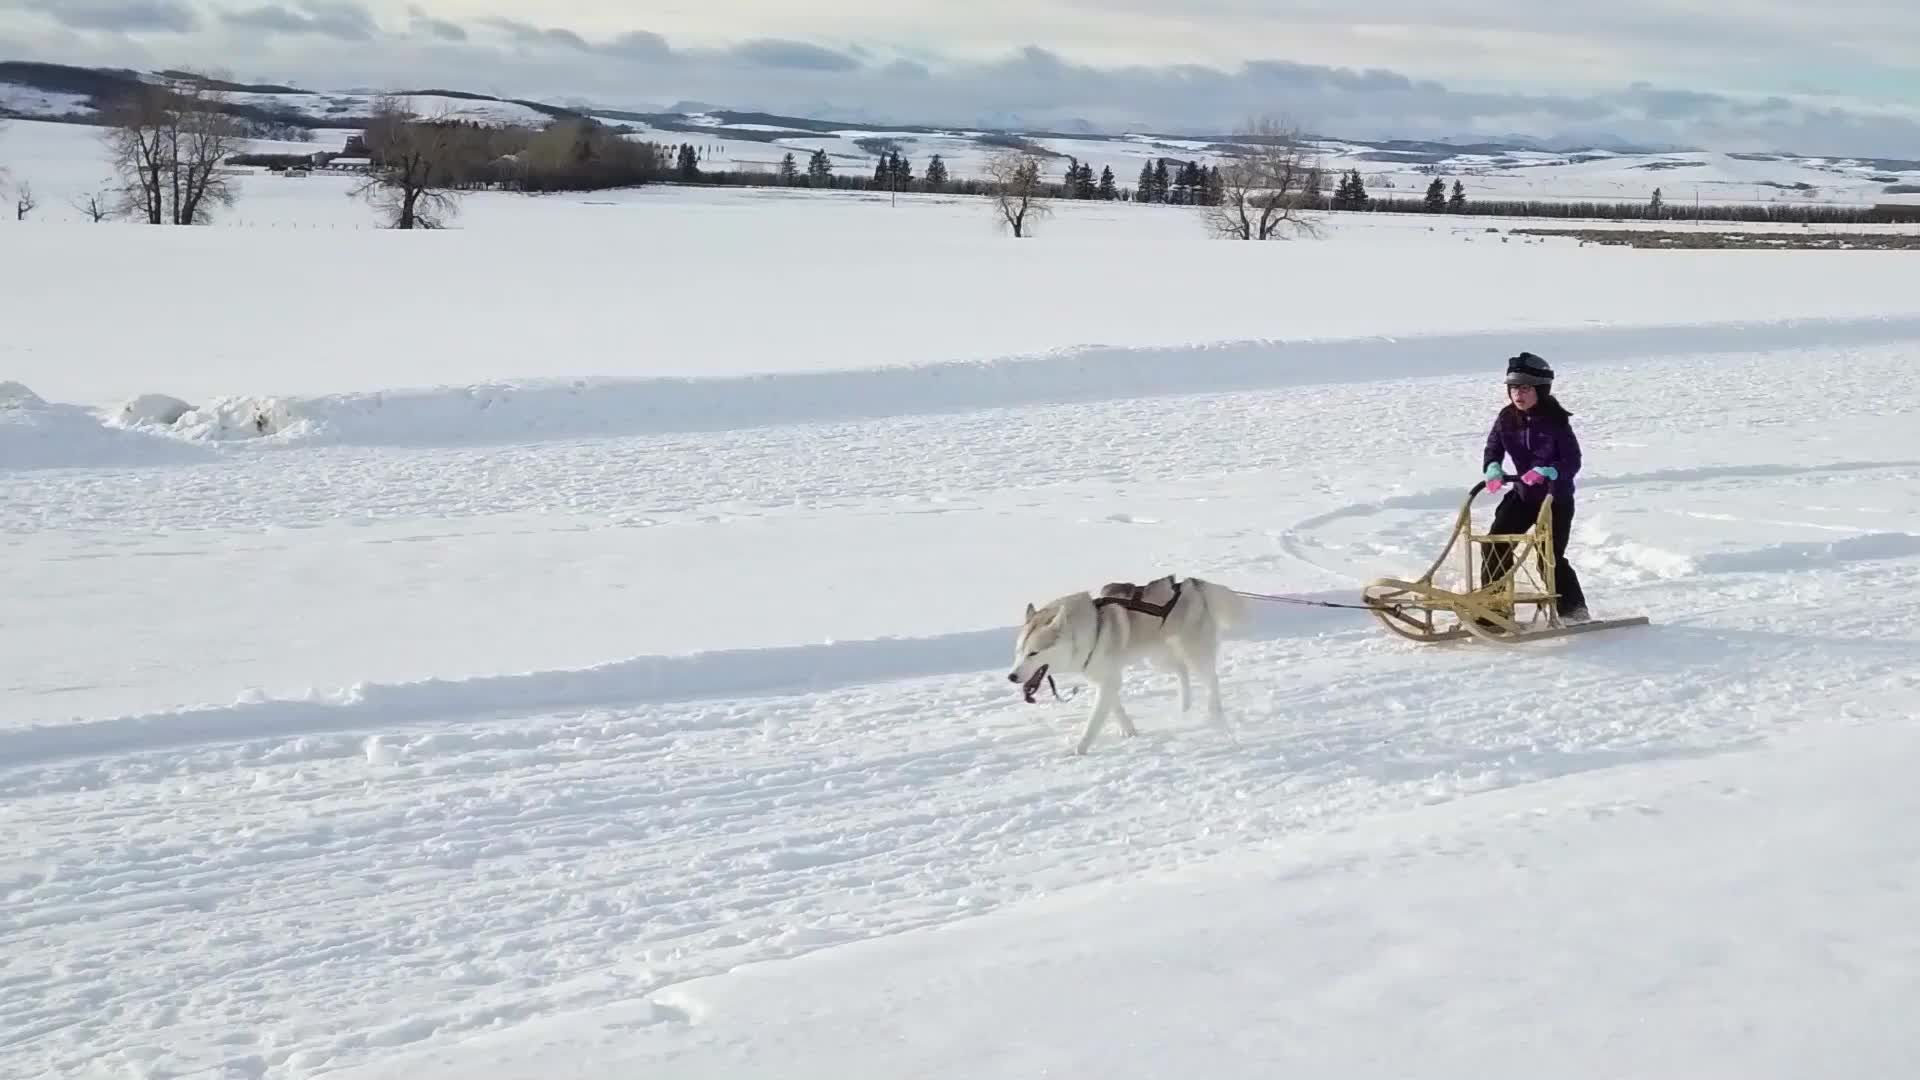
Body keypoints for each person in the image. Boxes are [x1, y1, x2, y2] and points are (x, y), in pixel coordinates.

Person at [1479, 351, 1589, 622]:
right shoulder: (1506, 417)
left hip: (1555, 499)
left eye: (1525, 388)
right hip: (1523, 496)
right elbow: (1493, 447)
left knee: (1548, 556)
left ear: (1540, 390)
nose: (1519, 394)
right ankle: (1495, 607)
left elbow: (1572, 461)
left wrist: (1549, 470)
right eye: (1514, 388)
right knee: (1495, 544)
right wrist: (1492, 467)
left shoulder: (1555, 421)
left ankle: (1573, 610)